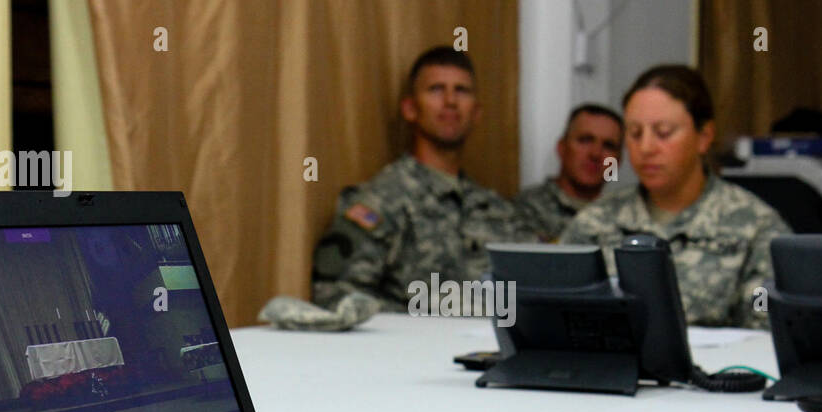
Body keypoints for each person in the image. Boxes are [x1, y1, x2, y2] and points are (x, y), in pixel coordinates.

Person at [561, 64, 790, 329]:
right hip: (614, 368)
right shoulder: (594, 223)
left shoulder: (756, 226)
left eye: (663, 132)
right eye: (635, 134)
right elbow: (562, 317)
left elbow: (769, 334)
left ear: (703, 137)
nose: (646, 148)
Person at [310, 47, 530, 311]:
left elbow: (533, 286)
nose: (450, 101)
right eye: (436, 90)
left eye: (462, 91)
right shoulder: (381, 201)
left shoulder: (496, 209)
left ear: (476, 112)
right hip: (410, 348)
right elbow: (334, 297)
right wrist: (423, 325)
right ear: (410, 108)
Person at [515, 104, 623, 241]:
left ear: (618, 162)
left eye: (608, 146)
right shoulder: (525, 212)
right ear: (562, 148)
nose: (595, 154)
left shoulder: (628, 217)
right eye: (585, 140)